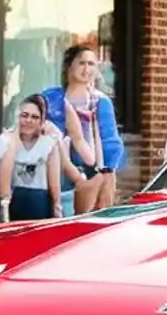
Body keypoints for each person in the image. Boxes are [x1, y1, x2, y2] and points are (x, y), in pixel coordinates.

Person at [41, 45, 123, 213]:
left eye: (91, 64)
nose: (87, 69)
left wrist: (108, 174)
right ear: (69, 66)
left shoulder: (100, 101)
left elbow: (110, 141)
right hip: (51, 170)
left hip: (89, 171)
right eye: (82, 63)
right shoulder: (50, 97)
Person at [0, 94, 63, 222]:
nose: (29, 120)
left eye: (35, 117)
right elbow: (3, 187)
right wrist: (14, 139)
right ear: (17, 116)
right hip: (13, 200)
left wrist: (57, 209)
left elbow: (54, 184)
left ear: (42, 121)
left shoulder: (49, 142)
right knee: (20, 195)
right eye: (24, 115)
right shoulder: (5, 140)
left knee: (36, 197)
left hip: (40, 201)